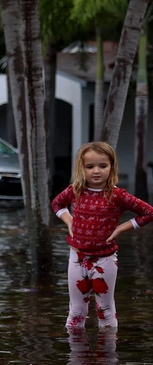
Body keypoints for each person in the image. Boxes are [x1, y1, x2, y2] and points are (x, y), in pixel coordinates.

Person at [51, 141, 153, 330]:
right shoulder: (76, 190)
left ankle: (107, 357)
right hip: (77, 257)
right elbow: (57, 204)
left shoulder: (118, 195)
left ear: (111, 167)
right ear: (81, 168)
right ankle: (76, 357)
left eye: (102, 166)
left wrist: (121, 228)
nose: (96, 171)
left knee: (105, 310)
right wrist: (69, 220)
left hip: (104, 260)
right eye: (90, 167)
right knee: (75, 312)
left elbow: (149, 213)